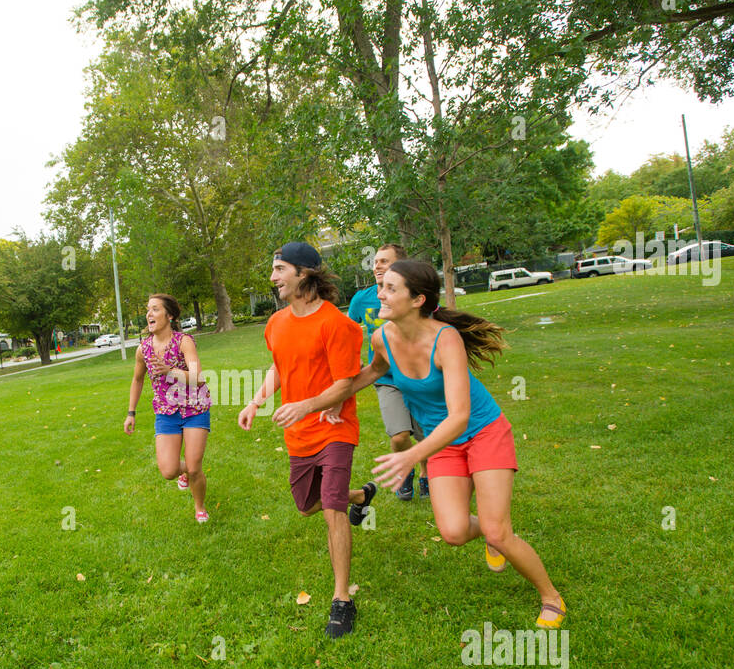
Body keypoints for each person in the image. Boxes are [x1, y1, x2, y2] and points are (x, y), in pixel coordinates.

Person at [313, 259, 565, 628]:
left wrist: (413, 455)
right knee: (454, 532)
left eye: (391, 288)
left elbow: (460, 416)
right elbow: (374, 371)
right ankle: (492, 535)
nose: (380, 293)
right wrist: (331, 398)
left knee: (498, 529)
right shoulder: (382, 336)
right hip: (442, 443)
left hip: (482, 431)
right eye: (382, 286)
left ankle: (550, 595)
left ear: (417, 299)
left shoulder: (446, 339)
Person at [240, 242, 375, 639]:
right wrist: (256, 400)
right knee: (306, 506)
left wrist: (307, 405)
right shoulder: (276, 323)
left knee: (330, 508)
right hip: (299, 434)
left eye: (279, 268)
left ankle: (341, 600)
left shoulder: (335, 324)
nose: (272, 277)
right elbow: (279, 366)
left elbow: (346, 382)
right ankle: (360, 497)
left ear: (304, 274)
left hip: (335, 427)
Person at [347, 243, 428, 501]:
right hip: (386, 378)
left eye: (384, 261)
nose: (377, 266)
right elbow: (347, 334)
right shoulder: (363, 299)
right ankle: (405, 471)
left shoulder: (414, 295)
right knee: (399, 434)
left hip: (418, 375)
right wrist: (352, 361)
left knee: (426, 433)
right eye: (376, 262)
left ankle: (426, 472)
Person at [124, 294, 213, 523]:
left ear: (169, 316)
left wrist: (169, 371)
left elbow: (199, 377)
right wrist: (131, 412)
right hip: (166, 413)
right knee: (169, 471)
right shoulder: (143, 350)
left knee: (195, 468)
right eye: (148, 310)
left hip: (195, 408)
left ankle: (199, 505)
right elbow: (137, 380)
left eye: (155, 309)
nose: (149, 314)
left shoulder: (184, 341)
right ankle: (185, 472)